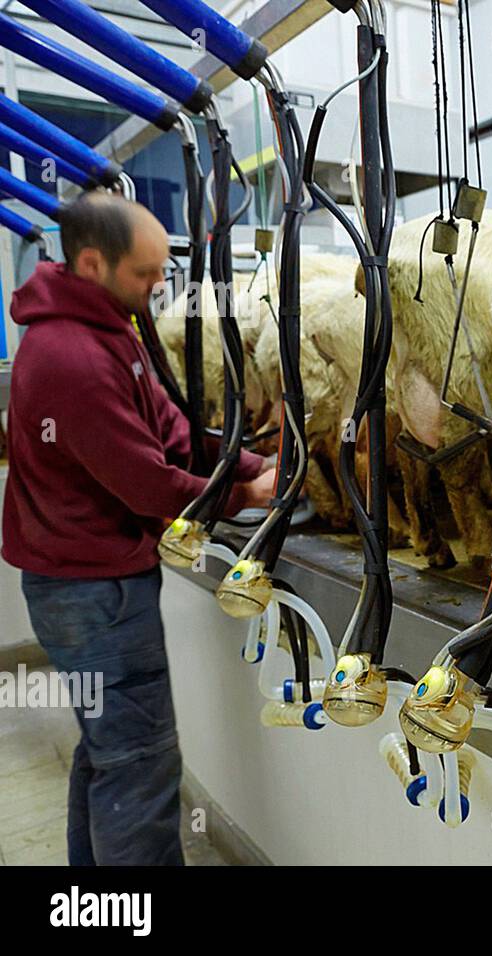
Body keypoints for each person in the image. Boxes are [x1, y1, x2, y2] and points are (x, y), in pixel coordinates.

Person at [1, 191, 277, 865]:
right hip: (93, 593)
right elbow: (147, 482)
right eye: (145, 274)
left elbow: (170, 430)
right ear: (91, 262)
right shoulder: (72, 356)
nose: (159, 286)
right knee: (143, 768)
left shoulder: (104, 327)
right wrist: (246, 493)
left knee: (110, 753)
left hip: (84, 583)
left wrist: (253, 457)